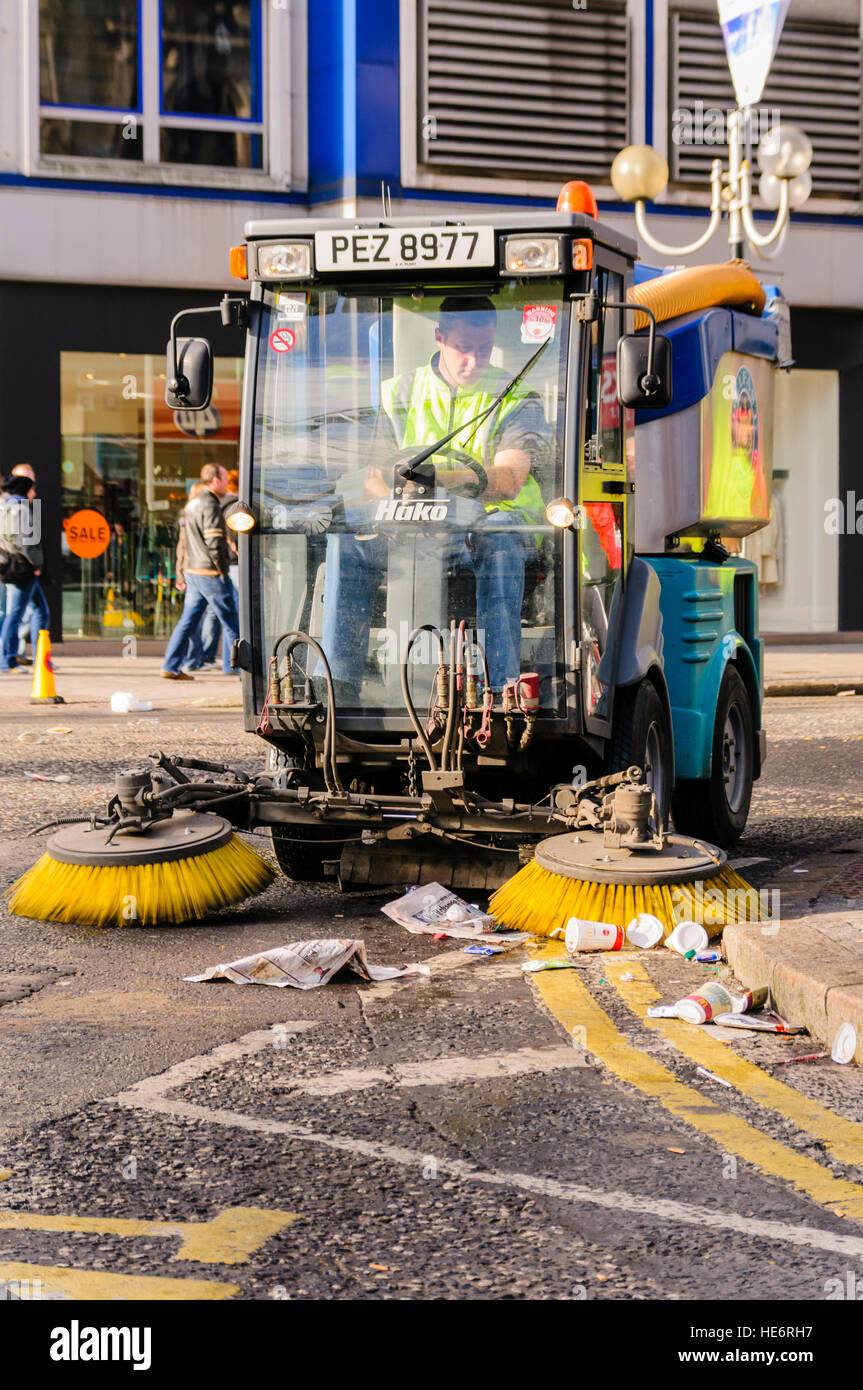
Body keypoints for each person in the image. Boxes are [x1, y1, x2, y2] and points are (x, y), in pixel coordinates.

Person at [320, 297, 550, 699]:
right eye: (464, 348)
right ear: (440, 338)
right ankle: (337, 687)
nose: (473, 361)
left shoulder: (514, 395)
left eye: (483, 348)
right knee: (346, 537)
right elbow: (374, 476)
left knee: (499, 539)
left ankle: (500, 691)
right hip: (408, 524)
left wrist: (432, 479)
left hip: (485, 524)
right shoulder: (398, 393)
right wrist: (397, 499)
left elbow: (511, 478)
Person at [161, 463, 239, 680]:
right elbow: (214, 541)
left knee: (188, 621)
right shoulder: (210, 504)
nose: (225, 482)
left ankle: (171, 665)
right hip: (209, 573)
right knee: (232, 622)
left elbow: (184, 541)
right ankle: (241, 670)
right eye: (223, 478)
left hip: (193, 571)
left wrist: (182, 571)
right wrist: (222, 570)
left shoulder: (192, 504)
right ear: (215, 480)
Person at [0, 471, 51, 673]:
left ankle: (41, 658)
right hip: (22, 569)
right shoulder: (20, 510)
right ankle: (7, 659)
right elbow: (27, 543)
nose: (34, 493)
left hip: (11, 566)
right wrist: (37, 565)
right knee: (16, 613)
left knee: (39, 610)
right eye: (32, 489)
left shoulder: (6, 507)